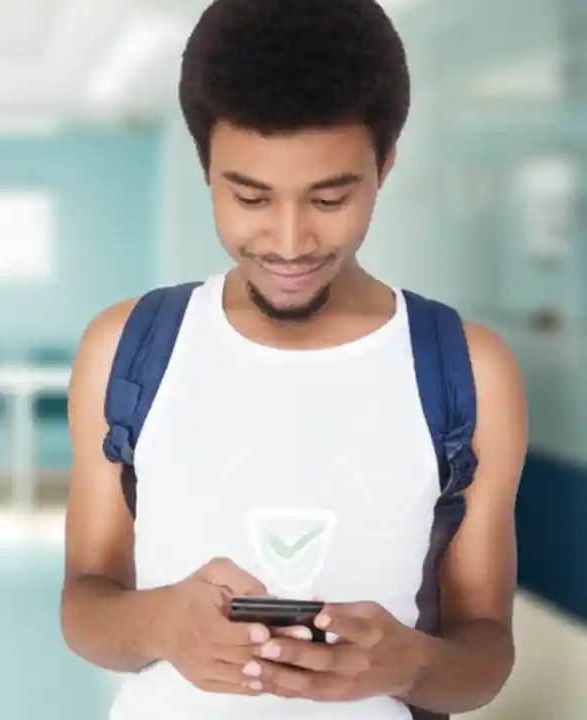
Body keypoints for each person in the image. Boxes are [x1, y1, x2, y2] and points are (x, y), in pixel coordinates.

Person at [60, 1, 527, 719]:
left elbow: (485, 651)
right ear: (206, 168)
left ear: (385, 165)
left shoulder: (468, 370)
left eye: (330, 198)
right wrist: (162, 624)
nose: (289, 241)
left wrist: (409, 662)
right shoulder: (127, 348)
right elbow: (84, 604)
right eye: (250, 197)